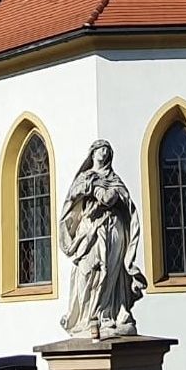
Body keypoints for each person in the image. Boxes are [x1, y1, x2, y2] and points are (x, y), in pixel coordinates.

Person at [59, 139, 147, 338]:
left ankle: (108, 314)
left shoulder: (114, 179)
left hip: (114, 228)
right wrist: (90, 188)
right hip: (90, 230)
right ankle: (86, 317)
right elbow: (72, 196)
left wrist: (111, 195)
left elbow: (121, 199)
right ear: (93, 153)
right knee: (89, 270)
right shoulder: (85, 176)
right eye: (101, 149)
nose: (105, 153)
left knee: (111, 272)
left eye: (108, 150)